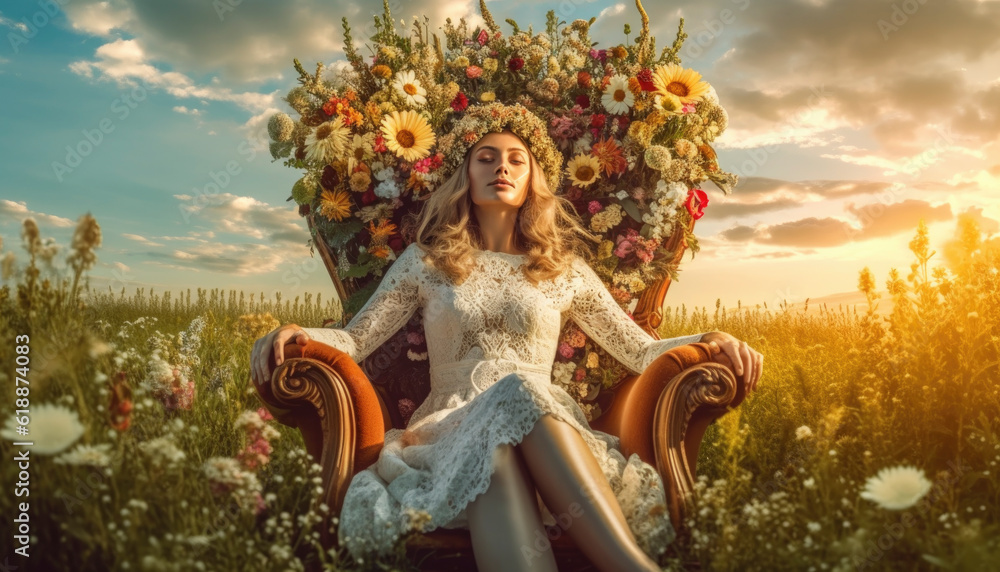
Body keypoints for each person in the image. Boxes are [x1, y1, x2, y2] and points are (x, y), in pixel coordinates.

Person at [252, 105, 763, 572]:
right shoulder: (426, 264)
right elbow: (357, 339)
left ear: (532, 180)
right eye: (486, 158)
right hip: (451, 430)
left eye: (517, 160)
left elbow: (638, 350)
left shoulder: (565, 270)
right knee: (498, 434)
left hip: (547, 431)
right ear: (465, 176)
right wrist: (296, 335)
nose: (502, 167)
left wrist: (709, 338)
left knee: (518, 395)